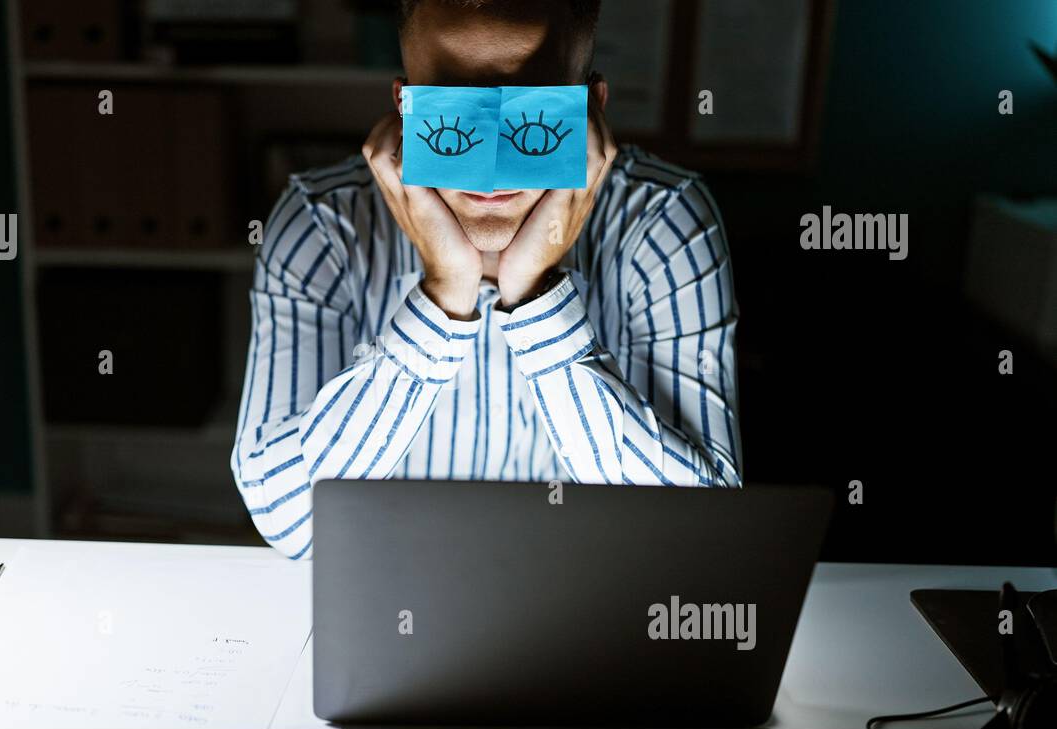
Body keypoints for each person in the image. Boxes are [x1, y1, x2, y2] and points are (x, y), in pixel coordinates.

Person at [231, 0, 741, 558]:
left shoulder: (664, 218)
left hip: (593, 599)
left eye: (533, 105)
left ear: (591, 108)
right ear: (405, 106)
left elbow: (703, 535)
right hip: (392, 588)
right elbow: (288, 521)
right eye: (455, 106)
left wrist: (536, 290)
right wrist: (444, 292)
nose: (491, 162)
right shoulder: (320, 223)